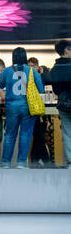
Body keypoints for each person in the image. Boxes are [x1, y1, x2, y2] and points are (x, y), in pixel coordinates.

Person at [0, 47, 42, 168]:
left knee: (10, 134)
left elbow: (0, 84)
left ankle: (5, 163)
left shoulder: (6, 71)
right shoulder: (32, 71)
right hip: (27, 107)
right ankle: (21, 163)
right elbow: (41, 89)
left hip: (11, 107)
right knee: (25, 134)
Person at [49, 40, 71, 168]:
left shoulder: (54, 69)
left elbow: (56, 90)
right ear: (66, 50)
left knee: (68, 133)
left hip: (63, 105)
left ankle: (70, 162)